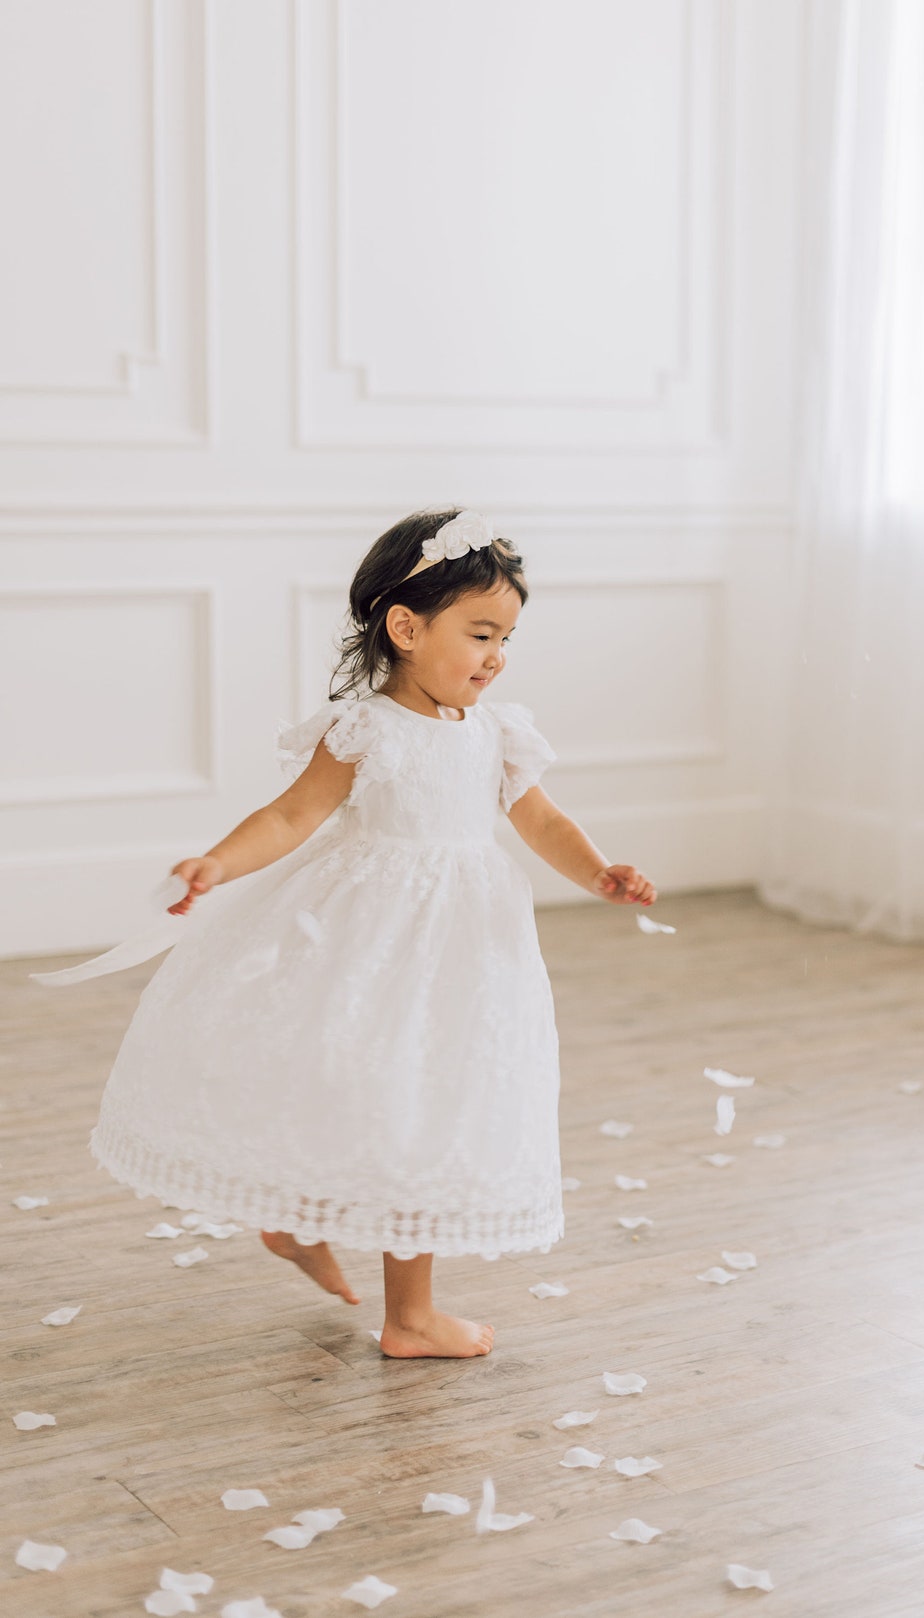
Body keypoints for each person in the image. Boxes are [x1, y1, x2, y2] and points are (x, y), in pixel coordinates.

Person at [37, 508, 657, 1359]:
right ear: (406, 628)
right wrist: (218, 862)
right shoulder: (366, 729)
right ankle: (371, 1282)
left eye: (506, 638)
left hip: (463, 949)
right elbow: (291, 815)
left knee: (425, 1102)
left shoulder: (497, 732)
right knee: (369, 1090)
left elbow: (541, 818)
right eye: (480, 635)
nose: (497, 657)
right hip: (371, 939)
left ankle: (337, 1253)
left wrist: (597, 871)